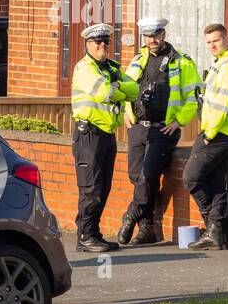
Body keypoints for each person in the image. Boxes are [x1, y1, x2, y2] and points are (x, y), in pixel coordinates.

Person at [116, 17, 201, 245]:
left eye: (156, 35)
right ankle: (147, 230)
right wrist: (126, 110)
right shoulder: (137, 59)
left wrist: (180, 121)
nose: (152, 40)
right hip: (138, 128)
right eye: (147, 36)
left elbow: (193, 98)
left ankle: (130, 216)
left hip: (163, 129)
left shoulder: (181, 62)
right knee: (138, 179)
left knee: (148, 175)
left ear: (163, 34)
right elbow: (127, 88)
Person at [183, 24, 228, 251]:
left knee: (191, 177)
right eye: (209, 42)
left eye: (216, 40)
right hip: (223, 131)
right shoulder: (220, 65)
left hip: (221, 132)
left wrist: (209, 134)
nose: (213, 45)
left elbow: (222, 105)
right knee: (215, 183)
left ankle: (212, 227)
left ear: (226, 39)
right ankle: (215, 233)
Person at [71, 23, 138, 253]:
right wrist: (119, 88)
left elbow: (134, 90)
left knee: (103, 187)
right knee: (90, 188)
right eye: (97, 42)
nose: (102, 45)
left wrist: (116, 86)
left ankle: (94, 233)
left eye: (105, 41)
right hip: (88, 133)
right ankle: (85, 236)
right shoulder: (84, 68)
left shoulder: (111, 67)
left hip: (107, 134)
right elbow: (104, 92)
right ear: (88, 44)